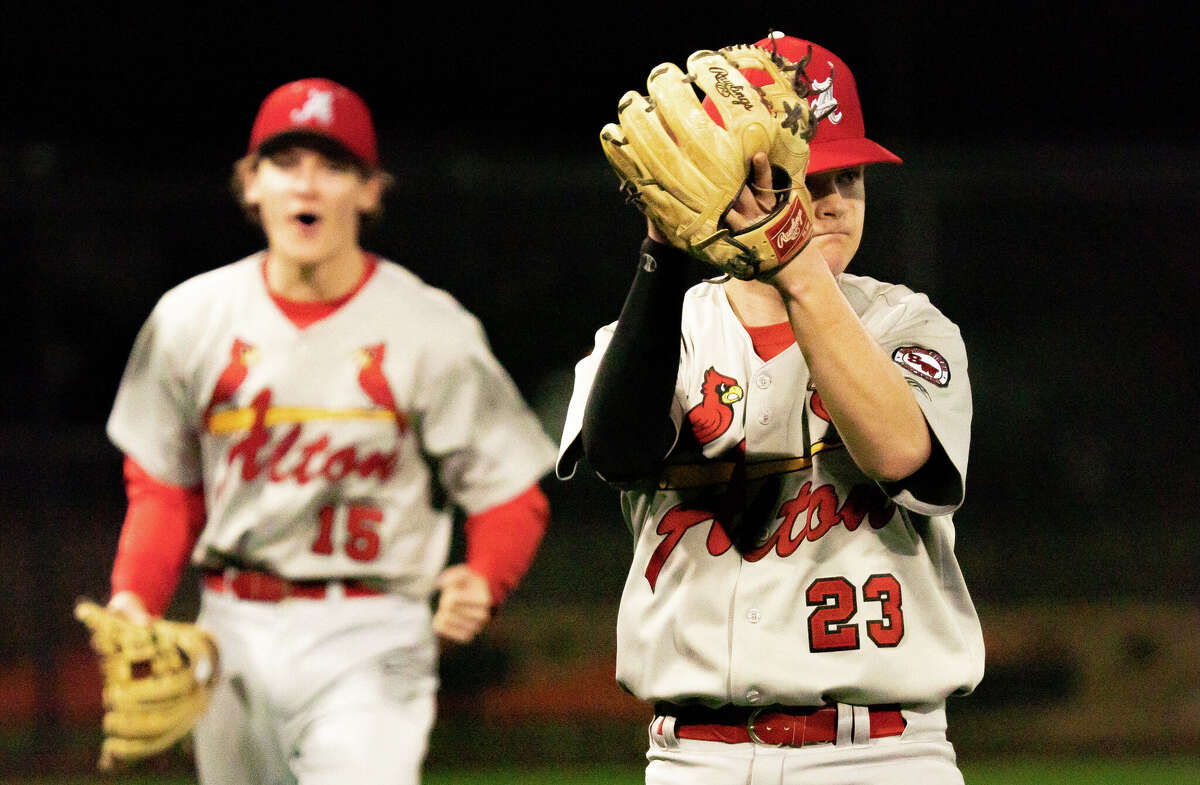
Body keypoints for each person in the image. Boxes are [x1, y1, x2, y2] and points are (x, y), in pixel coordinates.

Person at [556, 32, 984, 784]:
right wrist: (664, 244)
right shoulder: (665, 332)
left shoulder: (908, 326)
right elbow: (619, 454)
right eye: (803, 178)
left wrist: (792, 266)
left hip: (882, 755)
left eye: (847, 177)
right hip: (694, 757)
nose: (830, 203)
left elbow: (901, 458)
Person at [102, 77, 557, 783]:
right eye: (284, 163)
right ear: (249, 184)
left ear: (371, 191)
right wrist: (134, 598)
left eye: (333, 165)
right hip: (231, 626)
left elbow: (509, 491)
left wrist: (485, 573)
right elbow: (163, 490)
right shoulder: (189, 319)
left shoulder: (430, 327)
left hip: (373, 629)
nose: (306, 185)